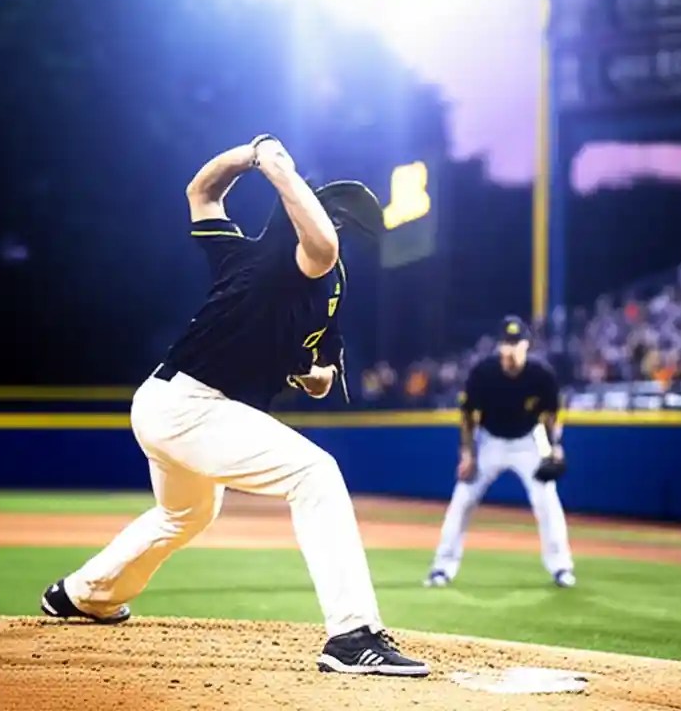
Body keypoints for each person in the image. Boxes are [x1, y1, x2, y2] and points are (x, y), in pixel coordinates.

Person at [39, 136, 429, 677]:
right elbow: (203, 190)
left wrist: (308, 373)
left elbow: (320, 376)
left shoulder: (323, 289)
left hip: (176, 407)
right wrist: (257, 156)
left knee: (188, 512)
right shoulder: (266, 256)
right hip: (188, 405)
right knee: (316, 474)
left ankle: (83, 593)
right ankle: (351, 634)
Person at [424, 316, 576, 588]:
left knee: (546, 500)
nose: (509, 349)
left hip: (528, 441)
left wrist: (554, 447)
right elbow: (468, 415)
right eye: (506, 343)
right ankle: (442, 568)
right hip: (489, 441)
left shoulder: (541, 374)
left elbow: (552, 415)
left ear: (526, 345)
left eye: (515, 343)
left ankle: (561, 567)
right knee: (463, 500)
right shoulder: (484, 372)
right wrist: (468, 454)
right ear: (499, 346)